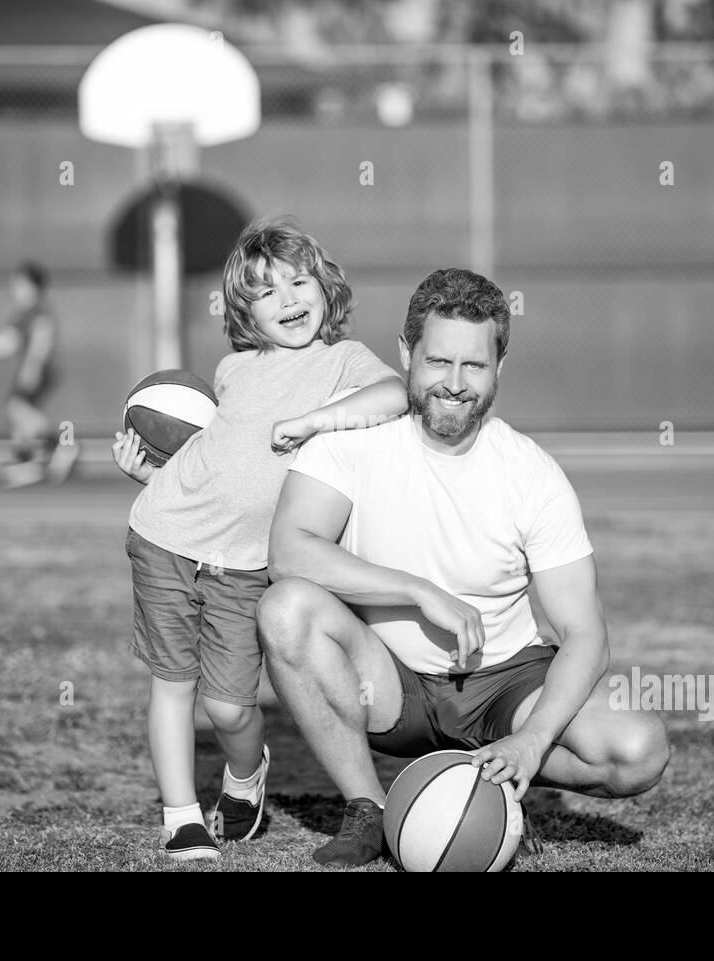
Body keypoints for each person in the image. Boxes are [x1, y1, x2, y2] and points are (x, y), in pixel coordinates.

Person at [260, 267, 670, 868]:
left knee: (639, 750)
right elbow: (288, 553)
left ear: (499, 367)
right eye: (438, 362)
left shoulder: (531, 473)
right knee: (286, 608)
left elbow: (586, 634)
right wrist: (417, 591)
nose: (454, 384)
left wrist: (532, 740)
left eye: (474, 366)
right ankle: (368, 810)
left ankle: (496, 782)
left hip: (504, 683)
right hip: (390, 683)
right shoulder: (348, 443)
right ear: (406, 354)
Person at [111, 217, 408, 861]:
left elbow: (396, 396)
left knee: (229, 710)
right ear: (245, 311)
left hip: (246, 567)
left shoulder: (345, 362)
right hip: (163, 534)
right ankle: (181, 817)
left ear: (327, 288)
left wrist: (315, 420)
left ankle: (245, 778)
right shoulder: (232, 370)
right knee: (171, 684)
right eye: (267, 293)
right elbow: (221, 456)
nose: (289, 299)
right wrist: (153, 474)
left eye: (301, 282)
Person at [0, 261, 77, 487]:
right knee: (18, 420)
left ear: (33, 287)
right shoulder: (27, 314)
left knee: (17, 409)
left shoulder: (34, 313)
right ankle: (29, 461)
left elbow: (28, 342)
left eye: (19, 285)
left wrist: (32, 366)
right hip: (37, 370)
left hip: (36, 370)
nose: (15, 290)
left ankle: (62, 446)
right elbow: (7, 345)